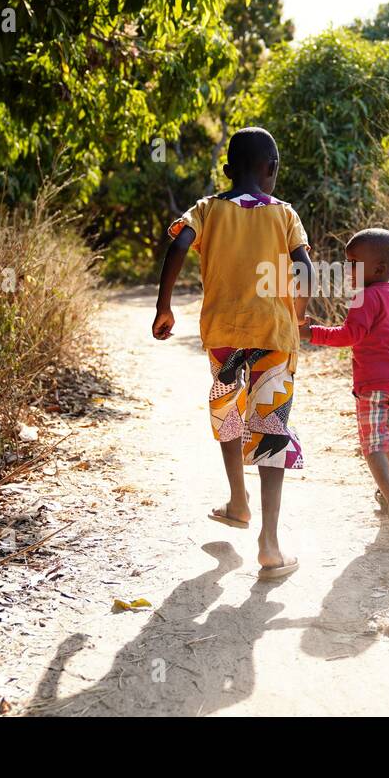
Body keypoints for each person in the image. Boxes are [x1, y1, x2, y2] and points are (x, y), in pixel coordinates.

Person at [153, 127, 311, 580]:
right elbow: (303, 266)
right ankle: (270, 543)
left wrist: (165, 306)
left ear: (226, 170)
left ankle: (237, 502)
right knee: (270, 424)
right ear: (273, 170)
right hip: (274, 337)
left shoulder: (207, 209)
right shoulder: (283, 214)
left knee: (228, 411)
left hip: (224, 335)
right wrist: (296, 314)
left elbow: (179, 242)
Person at [300, 228, 389, 539]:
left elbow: (349, 336)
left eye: (353, 263)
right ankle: (388, 492)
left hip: (373, 385)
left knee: (372, 443)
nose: (347, 269)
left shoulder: (365, 297)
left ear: (378, 268)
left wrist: (313, 333)